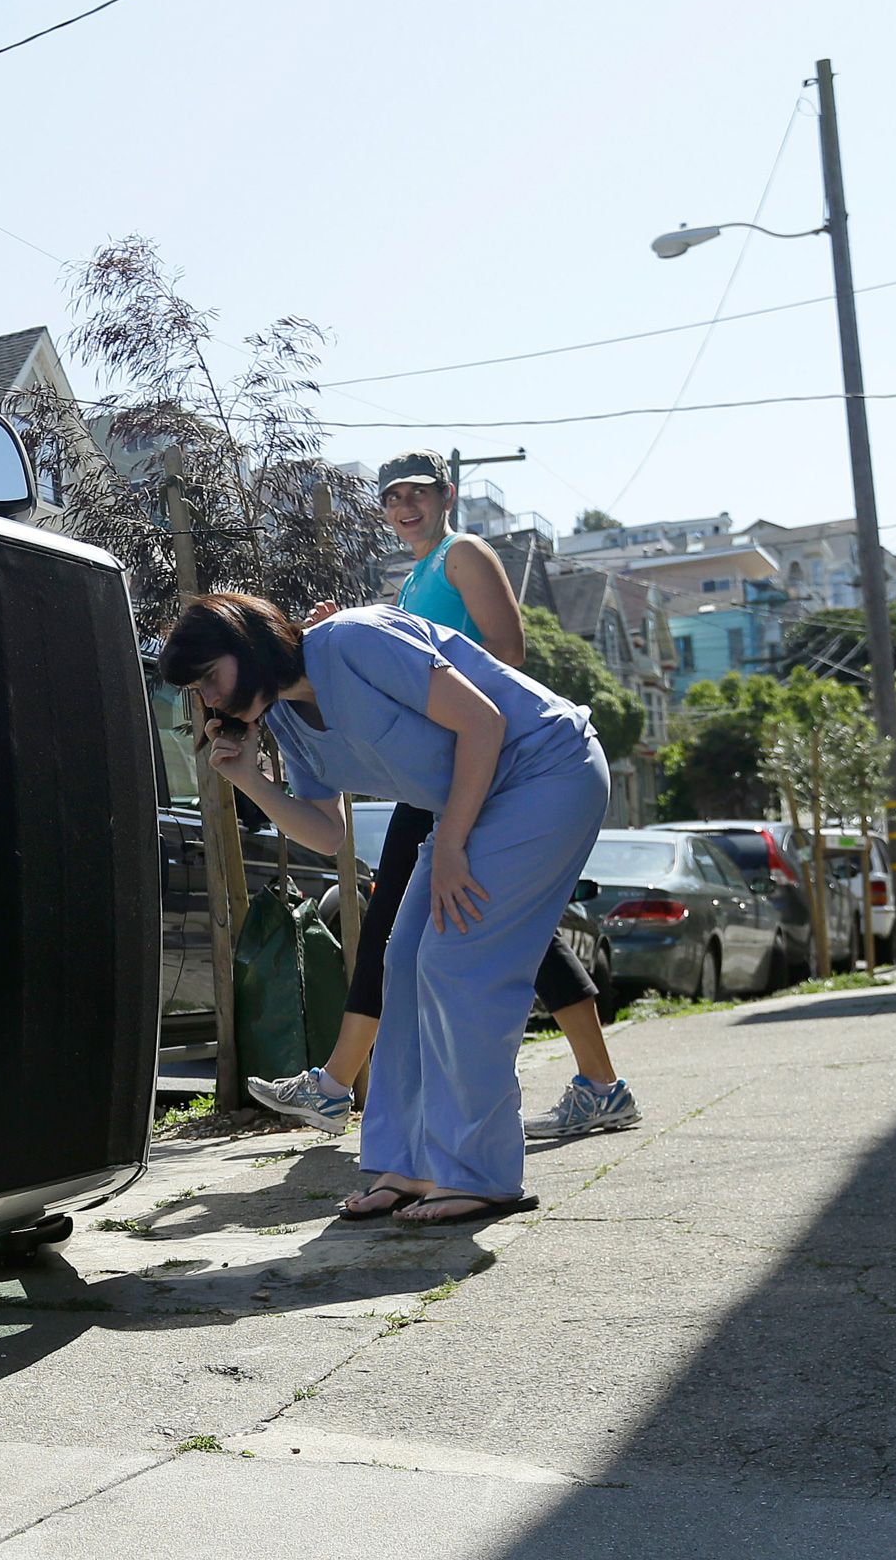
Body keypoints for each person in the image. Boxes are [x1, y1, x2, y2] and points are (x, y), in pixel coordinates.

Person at [163, 591, 607, 1224]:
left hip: (547, 769)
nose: (211, 700)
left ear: (248, 643)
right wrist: (249, 779)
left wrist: (450, 844)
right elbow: (326, 834)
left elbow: (484, 722)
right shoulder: (286, 720)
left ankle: (480, 1174)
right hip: (471, 803)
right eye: (198, 691)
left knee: (457, 964)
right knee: (402, 966)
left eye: (211, 678)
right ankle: (409, 1166)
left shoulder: (354, 640)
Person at [247, 450, 640, 1145]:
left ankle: (347, 1089)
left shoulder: (463, 555)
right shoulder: (413, 579)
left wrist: (393, 653)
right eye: (393, 496)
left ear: (447, 495)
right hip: (437, 773)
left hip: (485, 760)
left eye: (418, 493)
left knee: (409, 929)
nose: (406, 506)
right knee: (463, 926)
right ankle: (596, 1083)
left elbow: (505, 653)